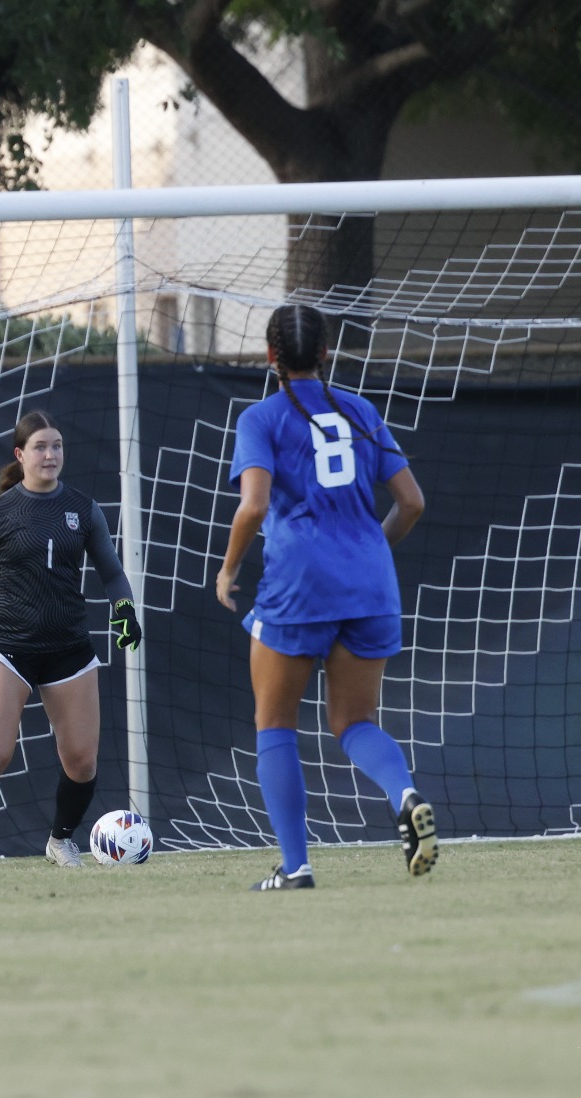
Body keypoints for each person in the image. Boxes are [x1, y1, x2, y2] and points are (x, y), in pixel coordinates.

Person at [215, 304, 436, 891]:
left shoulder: (261, 418)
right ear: (327, 353)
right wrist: (371, 552)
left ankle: (297, 867)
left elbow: (255, 506)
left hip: (299, 585)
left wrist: (229, 567)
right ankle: (404, 792)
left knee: (275, 723)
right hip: (370, 583)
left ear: (270, 357)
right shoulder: (360, 410)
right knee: (355, 720)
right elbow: (411, 502)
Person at [0, 410, 143, 870]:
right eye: (40, 447)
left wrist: (124, 608)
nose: (50, 454)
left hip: (69, 647)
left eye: (57, 445)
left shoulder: (83, 509)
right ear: (20, 456)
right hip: (6, 645)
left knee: (82, 761)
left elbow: (113, 573)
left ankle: (61, 841)